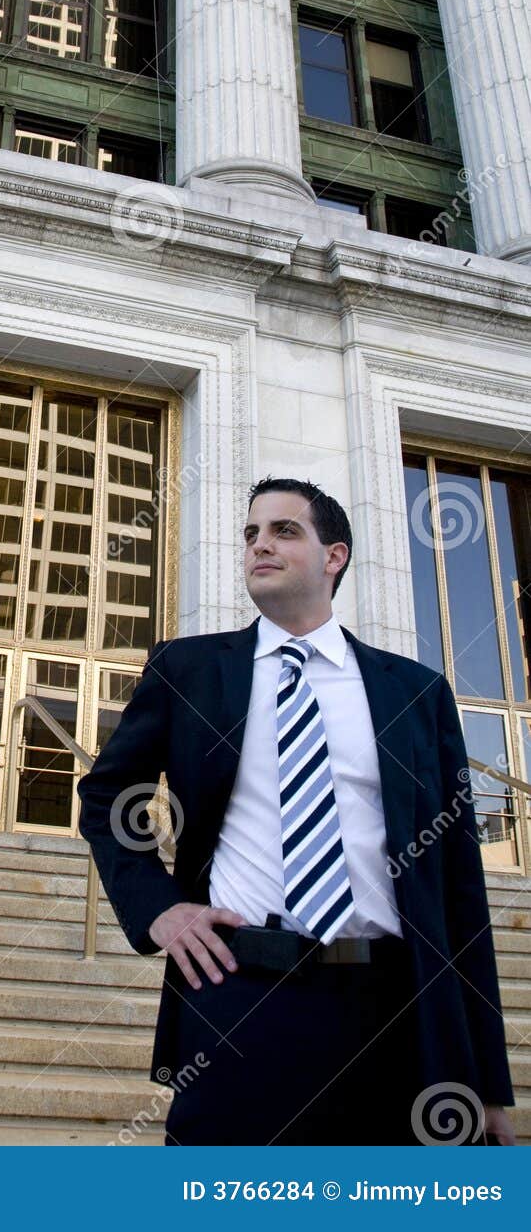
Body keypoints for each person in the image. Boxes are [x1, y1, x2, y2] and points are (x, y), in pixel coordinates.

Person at [77, 477, 517, 1146]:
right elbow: (107, 792)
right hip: (239, 992)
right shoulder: (188, 670)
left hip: (394, 1005)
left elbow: (458, 882)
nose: (260, 545)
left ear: (332, 556)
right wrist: (158, 907)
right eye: (251, 533)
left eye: (283, 531)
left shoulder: (414, 692)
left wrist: (484, 1079)